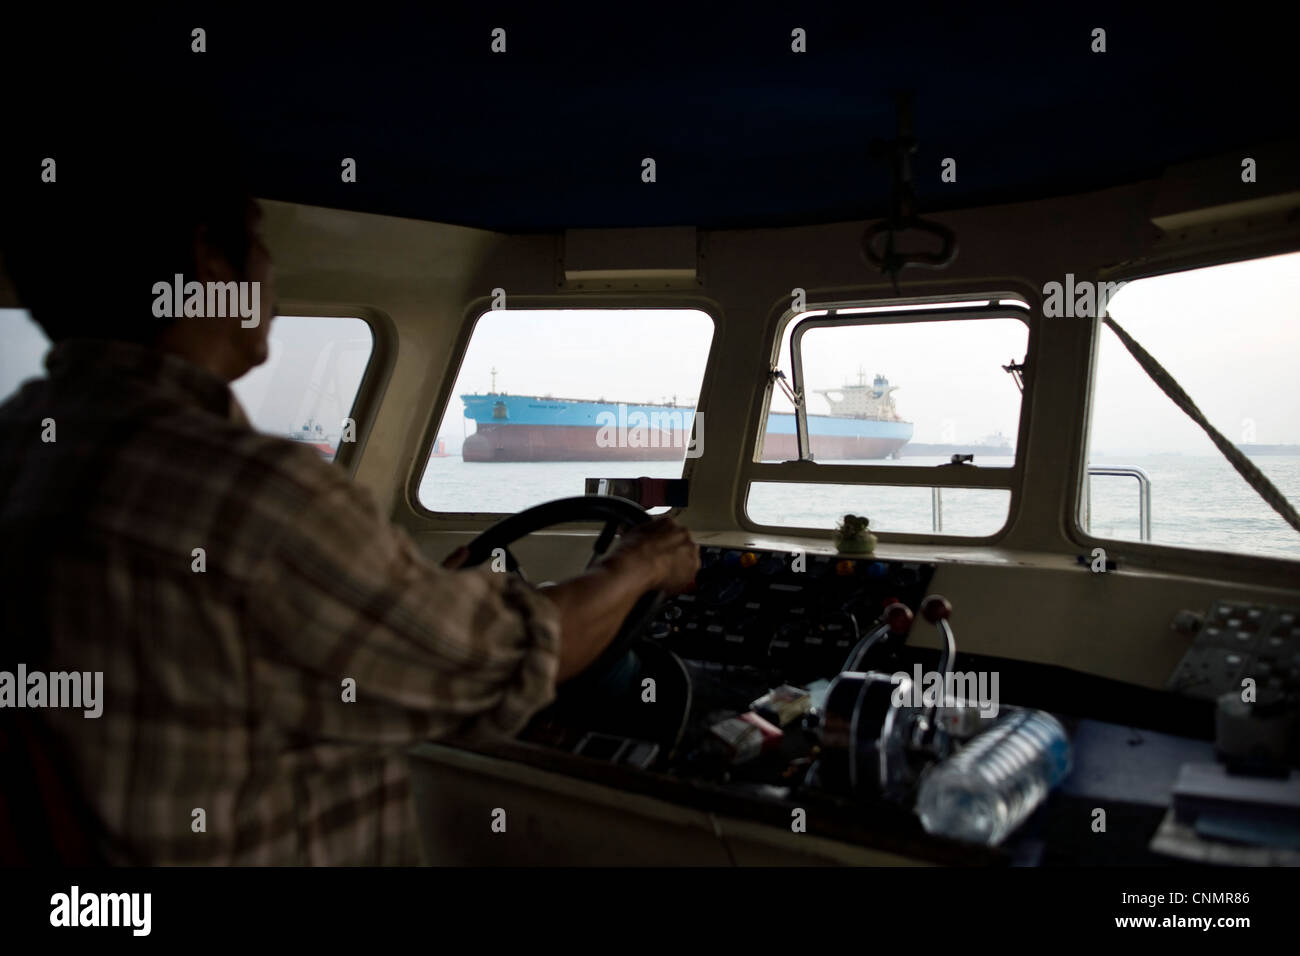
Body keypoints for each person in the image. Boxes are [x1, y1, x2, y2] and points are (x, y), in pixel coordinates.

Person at [0, 97, 699, 864]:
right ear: (209, 263)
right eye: (259, 241)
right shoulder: (248, 496)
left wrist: (403, 598)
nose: (270, 271)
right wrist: (641, 566)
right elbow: (508, 659)